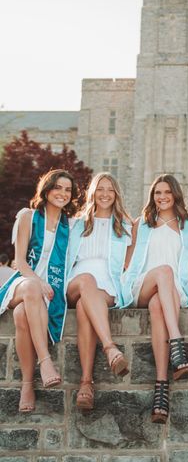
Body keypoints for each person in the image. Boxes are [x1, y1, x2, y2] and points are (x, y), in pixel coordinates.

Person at [0, 169, 78, 412]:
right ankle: (45, 361)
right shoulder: (29, 216)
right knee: (32, 289)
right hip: (24, 282)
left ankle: (27, 385)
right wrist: (39, 282)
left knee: (22, 315)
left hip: (48, 293)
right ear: (47, 189)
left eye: (67, 190)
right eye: (58, 188)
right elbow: (20, 262)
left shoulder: (72, 226)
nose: (62, 194)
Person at [122, 174, 188, 424]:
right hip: (142, 284)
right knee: (163, 270)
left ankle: (161, 388)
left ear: (175, 194)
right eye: (157, 193)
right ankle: (177, 341)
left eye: (166, 192)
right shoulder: (141, 223)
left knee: (158, 306)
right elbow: (127, 259)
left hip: (172, 291)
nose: (162, 197)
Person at [66, 172, 132, 410]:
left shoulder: (125, 227)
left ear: (116, 194)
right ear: (92, 192)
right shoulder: (75, 224)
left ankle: (86, 384)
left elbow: (131, 265)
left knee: (86, 305)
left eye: (110, 190)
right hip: (76, 282)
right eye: (100, 189)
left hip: (108, 287)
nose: (105, 194)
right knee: (86, 280)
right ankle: (109, 347)